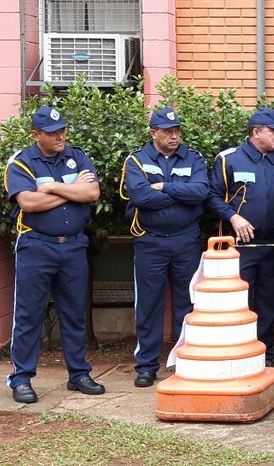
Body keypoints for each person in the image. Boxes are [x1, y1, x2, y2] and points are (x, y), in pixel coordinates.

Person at [4, 106, 105, 403]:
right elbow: (28, 202)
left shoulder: (77, 155)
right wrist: (72, 188)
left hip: (73, 245)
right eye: (52, 133)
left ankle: (78, 374)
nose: (60, 136)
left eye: (62, 131)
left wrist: (54, 187)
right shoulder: (22, 162)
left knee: (73, 313)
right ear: (36, 135)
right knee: (28, 314)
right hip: (36, 246)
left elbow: (92, 194)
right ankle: (21, 378)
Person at [121, 107, 208, 388]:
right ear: (153, 133)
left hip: (186, 240)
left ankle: (184, 361)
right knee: (148, 304)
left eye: (177, 131)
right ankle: (146, 365)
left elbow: (201, 193)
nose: (174, 136)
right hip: (151, 241)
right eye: (168, 131)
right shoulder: (137, 160)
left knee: (188, 303)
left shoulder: (193, 158)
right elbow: (140, 196)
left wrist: (163, 187)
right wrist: (177, 195)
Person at [207, 107, 274, 369]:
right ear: (256, 132)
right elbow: (211, 196)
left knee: (269, 300)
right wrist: (233, 217)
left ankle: (264, 353)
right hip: (241, 245)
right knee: (238, 299)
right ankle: (237, 350)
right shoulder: (229, 159)